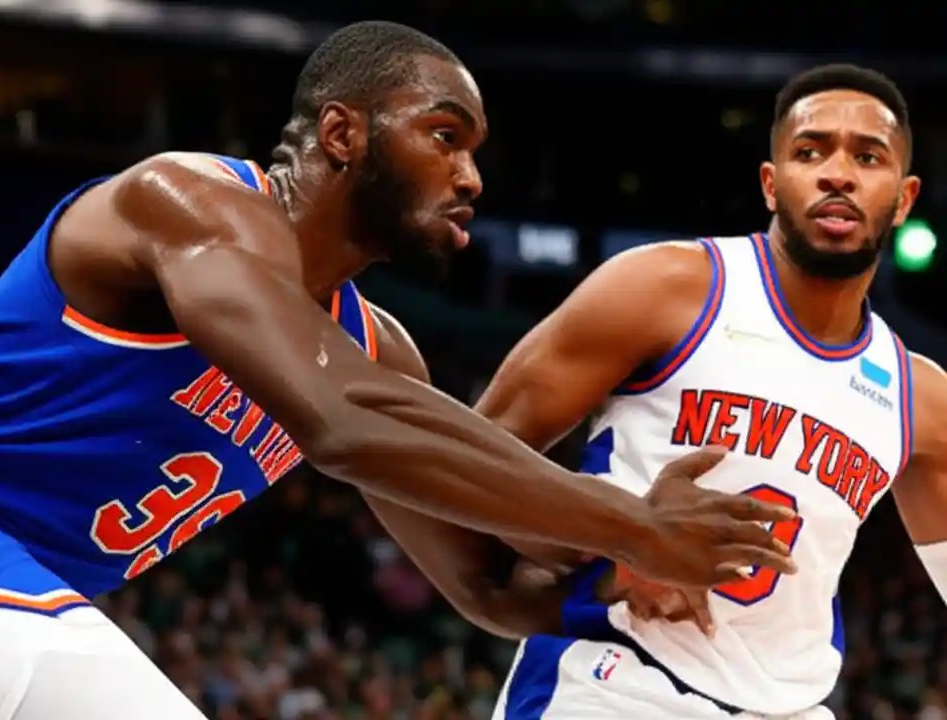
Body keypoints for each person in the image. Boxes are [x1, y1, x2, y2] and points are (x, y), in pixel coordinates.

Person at [0, 21, 794, 720]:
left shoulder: (381, 352)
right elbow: (338, 418)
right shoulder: (184, 202)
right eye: (443, 136)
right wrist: (622, 520)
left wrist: (618, 575)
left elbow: (488, 584)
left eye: (475, 153)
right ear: (340, 133)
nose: (469, 176)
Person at [367, 63, 947, 719]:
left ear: (902, 197)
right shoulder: (667, 289)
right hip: (616, 685)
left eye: (868, 157)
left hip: (792, 705)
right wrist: (615, 543)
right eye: (810, 151)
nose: (837, 173)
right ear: (770, 183)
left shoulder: (917, 398)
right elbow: (459, 471)